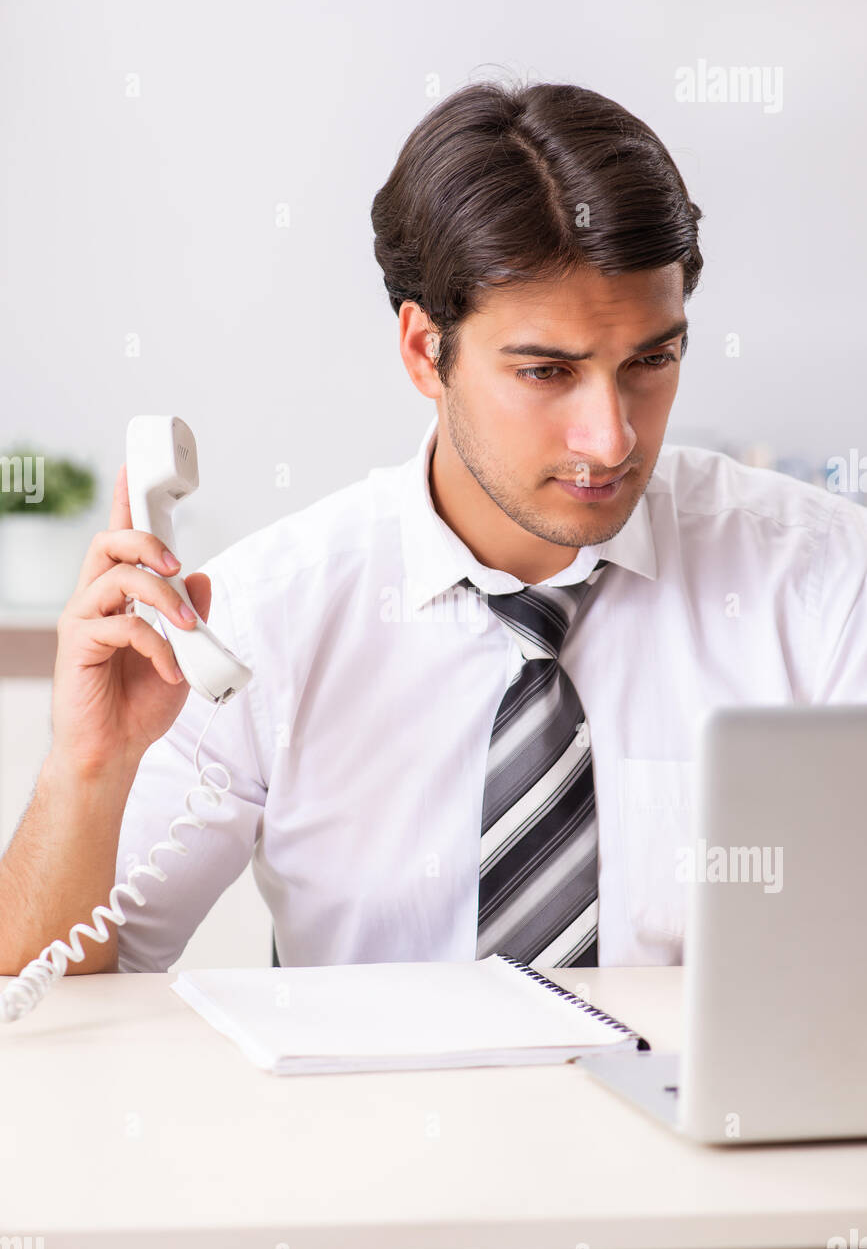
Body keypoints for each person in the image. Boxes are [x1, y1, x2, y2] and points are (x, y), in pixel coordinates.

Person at [2, 77, 865, 978]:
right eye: (545, 372)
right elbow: (48, 1012)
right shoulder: (262, 614)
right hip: (363, 1120)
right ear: (425, 349)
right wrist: (87, 772)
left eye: (651, 359)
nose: (610, 436)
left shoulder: (821, 580)